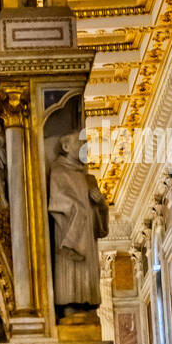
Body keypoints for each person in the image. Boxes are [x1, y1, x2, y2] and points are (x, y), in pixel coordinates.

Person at [48, 130, 109, 310]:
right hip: (68, 235)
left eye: (85, 143)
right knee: (70, 279)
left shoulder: (89, 179)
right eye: (79, 142)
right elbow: (57, 200)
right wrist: (77, 207)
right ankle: (69, 308)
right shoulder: (58, 171)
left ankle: (87, 307)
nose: (84, 146)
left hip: (87, 238)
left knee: (86, 277)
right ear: (66, 147)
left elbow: (101, 229)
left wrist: (101, 205)